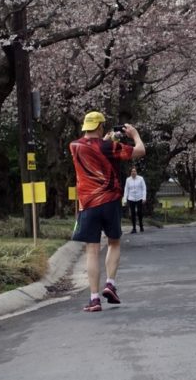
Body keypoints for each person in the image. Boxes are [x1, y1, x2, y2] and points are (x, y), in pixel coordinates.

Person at [70, 111, 145, 312]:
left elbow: (93, 148)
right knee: (113, 242)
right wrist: (135, 135)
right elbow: (140, 151)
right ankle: (110, 284)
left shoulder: (74, 146)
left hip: (88, 204)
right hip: (110, 201)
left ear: (86, 127)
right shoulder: (109, 147)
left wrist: (104, 140)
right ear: (100, 127)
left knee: (92, 250)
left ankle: (94, 299)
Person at [123, 167, 147, 233]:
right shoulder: (128, 180)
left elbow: (144, 188)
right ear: (130, 173)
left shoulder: (140, 179)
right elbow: (126, 190)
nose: (133, 172)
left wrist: (144, 198)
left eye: (134, 171)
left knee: (139, 212)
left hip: (139, 198)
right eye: (132, 171)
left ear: (136, 172)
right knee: (132, 213)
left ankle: (141, 226)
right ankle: (134, 228)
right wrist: (125, 200)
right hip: (131, 198)